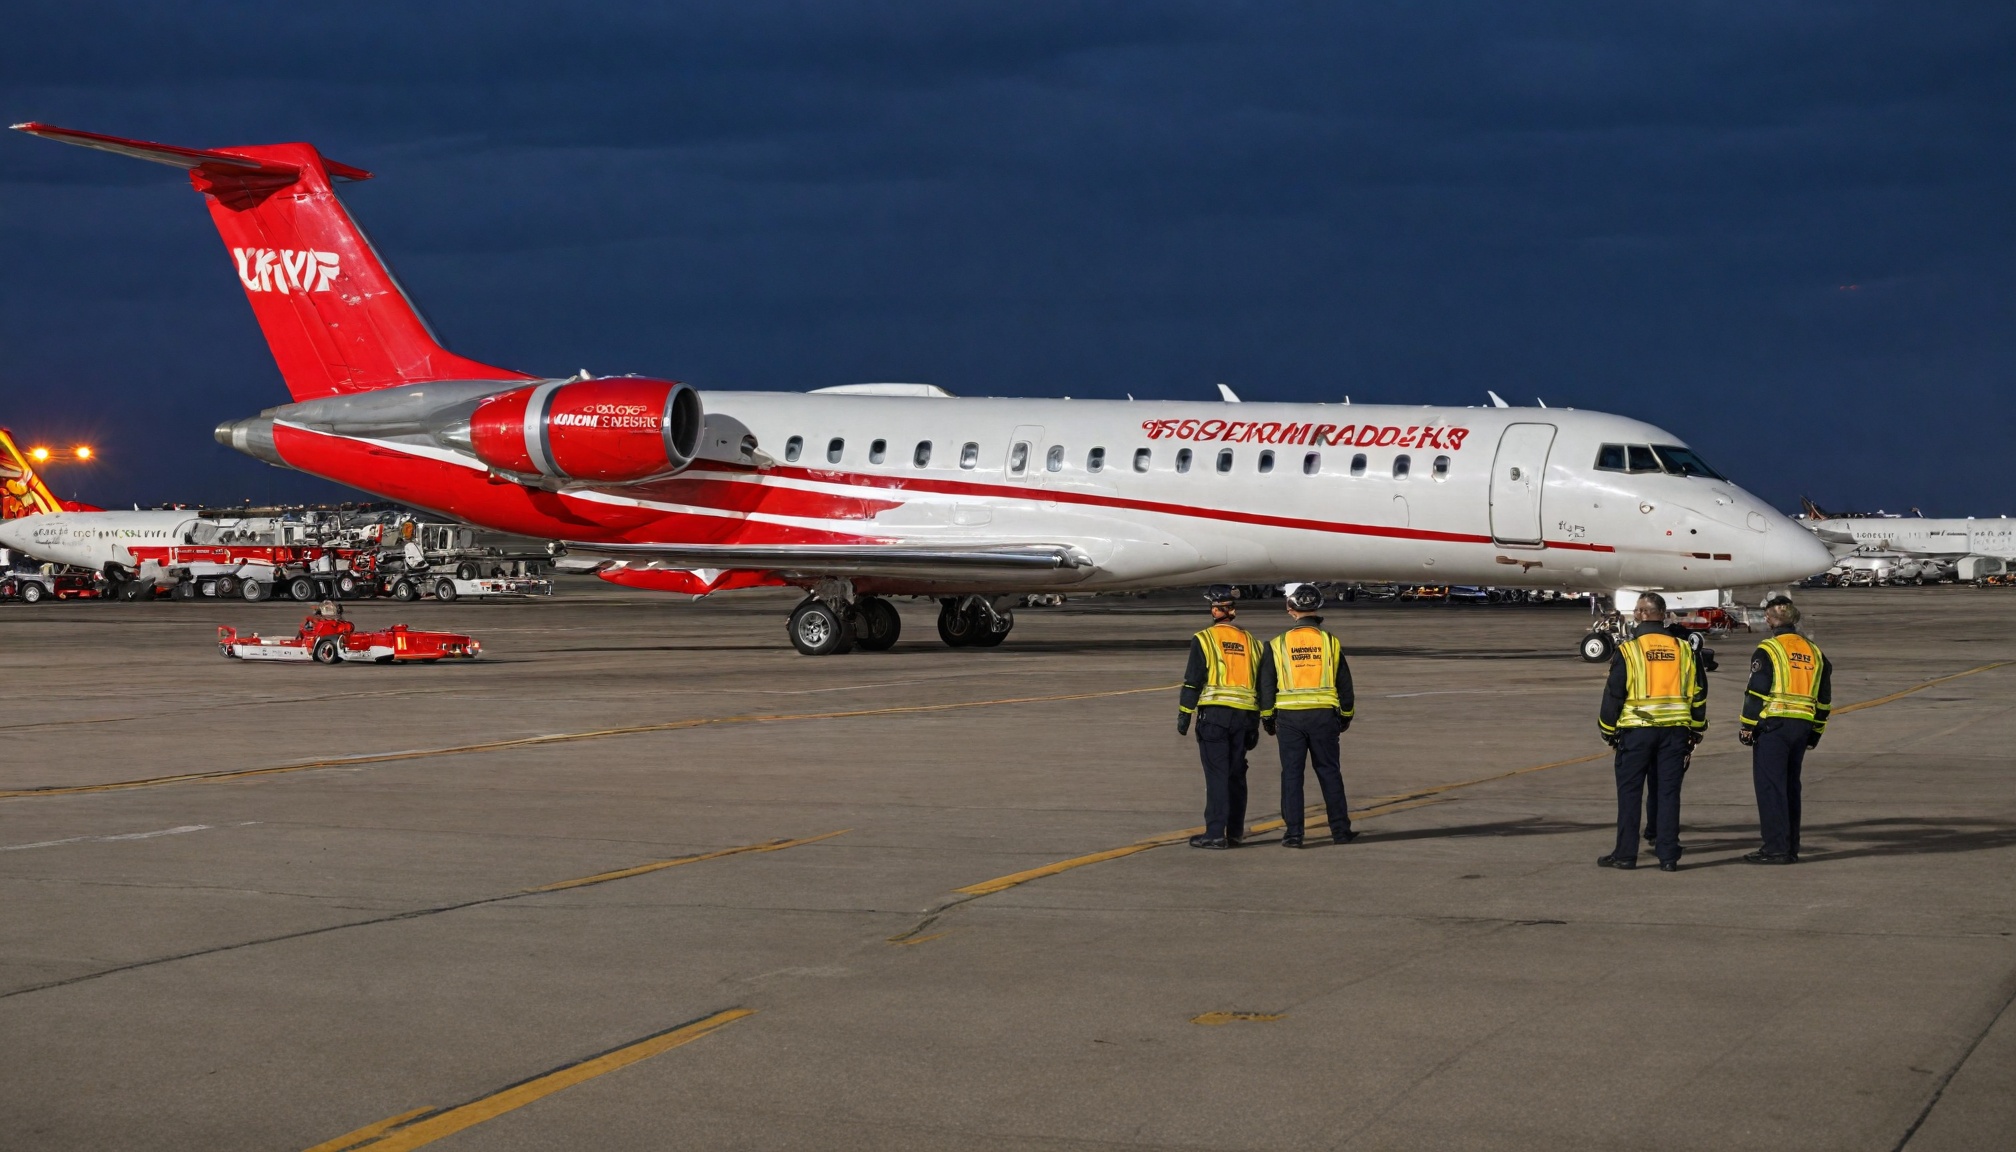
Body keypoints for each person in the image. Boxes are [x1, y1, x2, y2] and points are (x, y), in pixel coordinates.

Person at [1597, 592, 1707, 871]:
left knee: (1630, 793)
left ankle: (1625, 854)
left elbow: (1614, 695)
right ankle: (1668, 856)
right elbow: (1699, 693)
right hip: (1675, 732)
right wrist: (1696, 729)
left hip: (1637, 731)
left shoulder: (1629, 650)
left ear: (1641, 614)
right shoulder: (1684, 650)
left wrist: (1608, 730)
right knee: (1669, 792)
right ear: (1664, 614)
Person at [1257, 584, 1357, 848]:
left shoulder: (1277, 644)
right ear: (1317, 609)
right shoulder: (1329, 641)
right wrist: (1346, 714)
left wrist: (1267, 717)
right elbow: (1344, 683)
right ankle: (1340, 831)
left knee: (1292, 775)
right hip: (1324, 717)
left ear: (1291, 610)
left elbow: (1267, 685)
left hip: (1289, 720)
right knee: (1329, 773)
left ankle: (1294, 835)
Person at [1739, 599, 1832, 864]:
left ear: (1769, 620)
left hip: (1774, 727)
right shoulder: (1814, 651)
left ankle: (1775, 848)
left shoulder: (1769, 648)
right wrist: (1816, 731)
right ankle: (1791, 846)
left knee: (1770, 788)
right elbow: (1824, 698)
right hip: (1802, 727)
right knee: (1791, 787)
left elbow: (1756, 691)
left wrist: (1747, 725)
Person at [1178, 585, 1261, 849]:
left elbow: (1193, 681)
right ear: (1233, 611)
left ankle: (1215, 833)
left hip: (1215, 716)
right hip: (1244, 716)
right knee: (1236, 775)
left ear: (1214, 610)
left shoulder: (1203, 639)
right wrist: (1257, 721)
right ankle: (1235, 832)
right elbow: (1261, 684)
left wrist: (1184, 714)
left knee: (1217, 775)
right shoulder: (1253, 643)